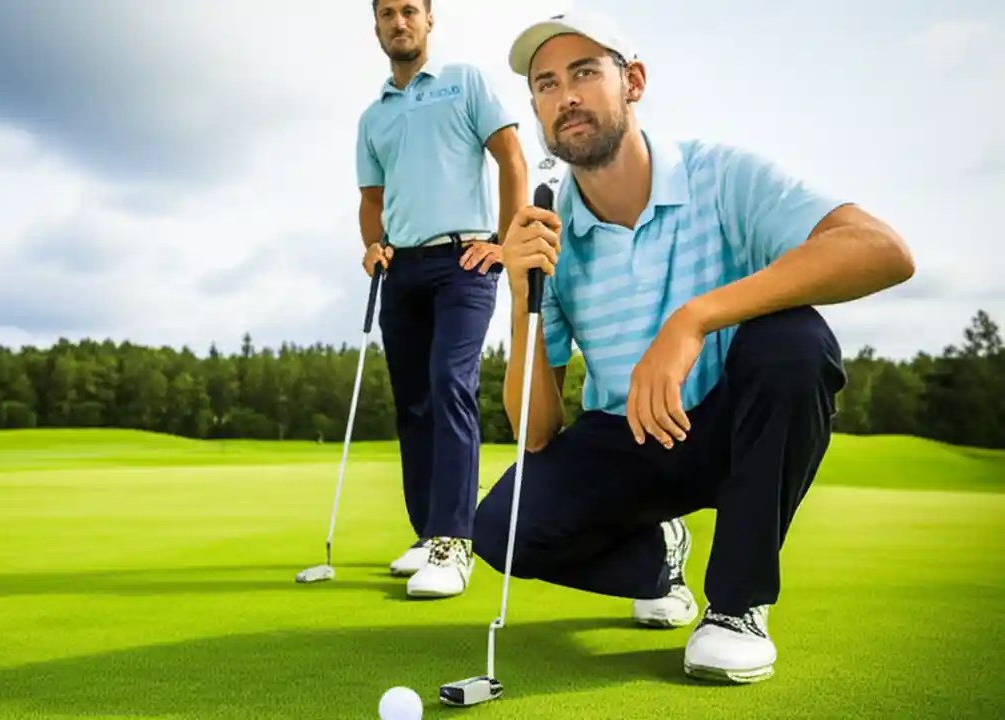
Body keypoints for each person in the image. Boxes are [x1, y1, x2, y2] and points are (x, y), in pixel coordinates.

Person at [473, 6, 915, 682]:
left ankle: (736, 607)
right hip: (628, 441)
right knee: (500, 526)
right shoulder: (550, 229)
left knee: (794, 341)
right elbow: (535, 431)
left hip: (733, 421)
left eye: (586, 72)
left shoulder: (721, 176)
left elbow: (881, 250)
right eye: (545, 83)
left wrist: (695, 319)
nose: (565, 97)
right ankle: (660, 559)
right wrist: (521, 295)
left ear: (634, 83)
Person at [356, 0, 529, 599]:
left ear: (429, 20)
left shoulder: (465, 82)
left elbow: (511, 158)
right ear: (375, 26)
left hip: (465, 262)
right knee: (413, 402)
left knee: (448, 381)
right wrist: (372, 245)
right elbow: (372, 202)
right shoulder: (372, 116)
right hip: (402, 269)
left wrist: (505, 244)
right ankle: (427, 532)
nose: (398, 22)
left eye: (409, 11)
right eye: (386, 13)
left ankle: (454, 542)